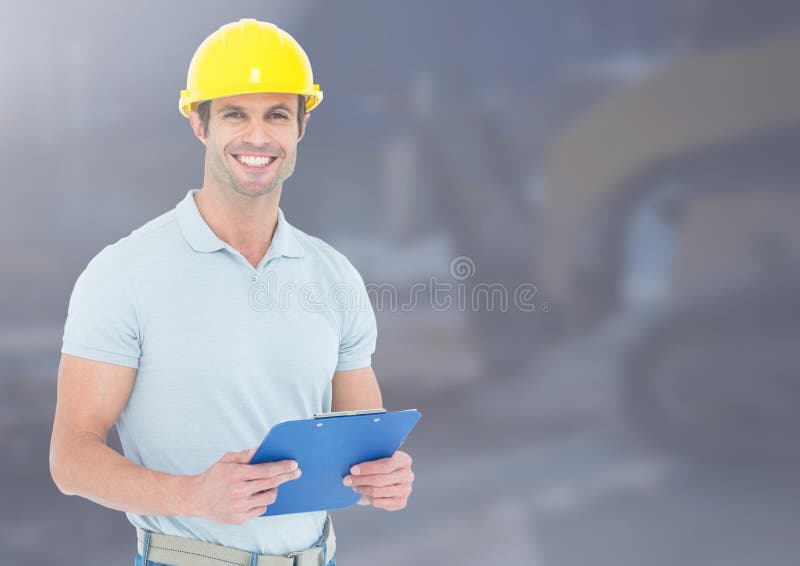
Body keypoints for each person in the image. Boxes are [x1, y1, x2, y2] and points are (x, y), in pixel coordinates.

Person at [49, 18, 414, 566]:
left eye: (277, 115)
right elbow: (71, 460)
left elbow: (363, 437)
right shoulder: (124, 273)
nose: (258, 136)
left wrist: (384, 476)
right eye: (234, 114)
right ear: (200, 124)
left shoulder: (333, 276)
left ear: (301, 127)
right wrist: (192, 495)